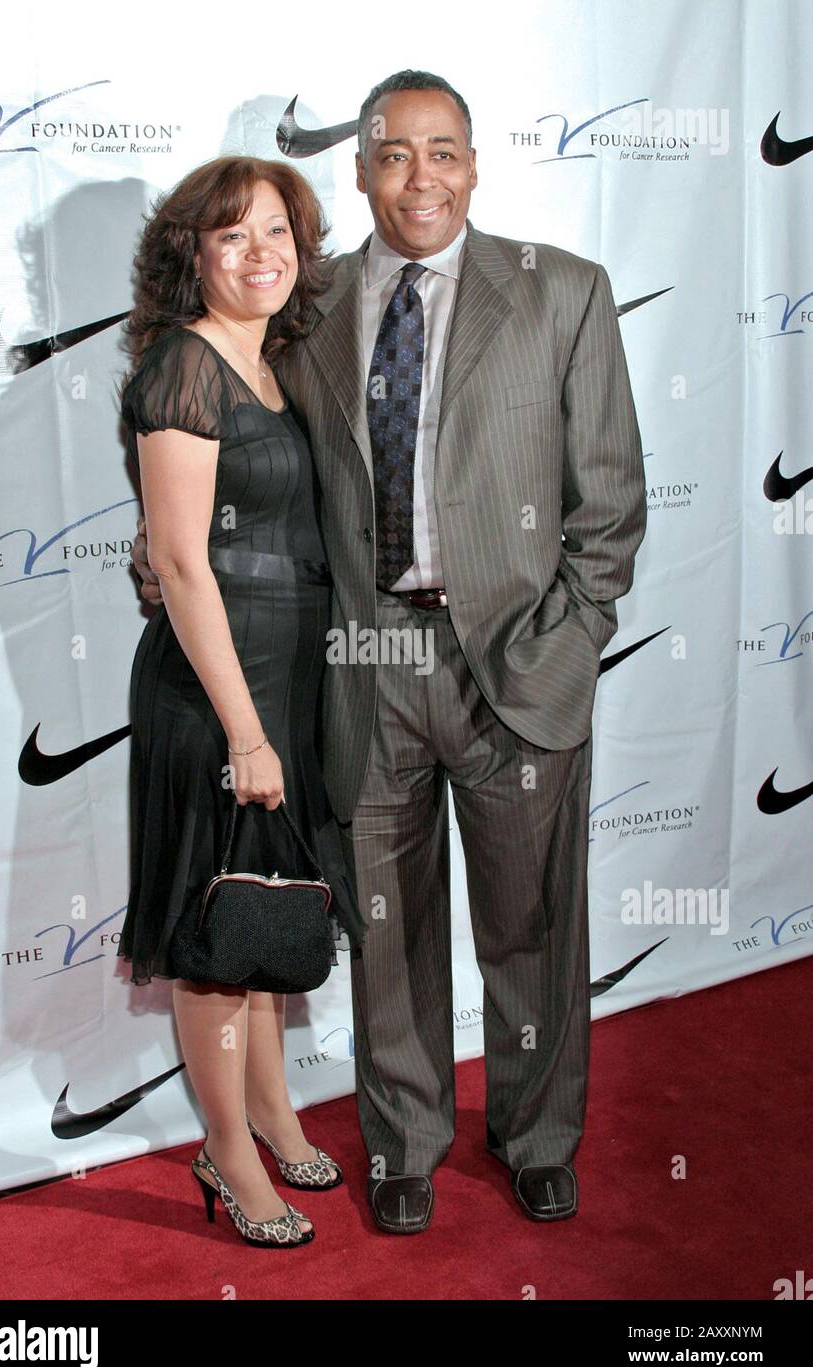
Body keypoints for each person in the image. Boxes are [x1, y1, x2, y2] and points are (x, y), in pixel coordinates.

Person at [132, 70, 647, 1235]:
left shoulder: (561, 293)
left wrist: (565, 647)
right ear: (359, 169)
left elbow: (609, 504)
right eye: (395, 154)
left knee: (531, 923)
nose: (422, 176)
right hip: (356, 667)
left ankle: (533, 1132)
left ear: (475, 164)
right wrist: (160, 536)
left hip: (516, 667)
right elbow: (229, 439)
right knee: (386, 926)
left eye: (444, 151)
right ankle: (403, 1139)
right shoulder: (306, 305)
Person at [119, 155, 368, 1248]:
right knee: (218, 937)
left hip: (289, 676)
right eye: (233, 235)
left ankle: (270, 1110)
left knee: (263, 911)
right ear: (193, 255)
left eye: (279, 232)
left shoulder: (274, 364)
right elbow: (180, 564)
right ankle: (224, 1156)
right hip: (216, 695)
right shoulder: (181, 365)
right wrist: (246, 731)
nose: (261, 253)